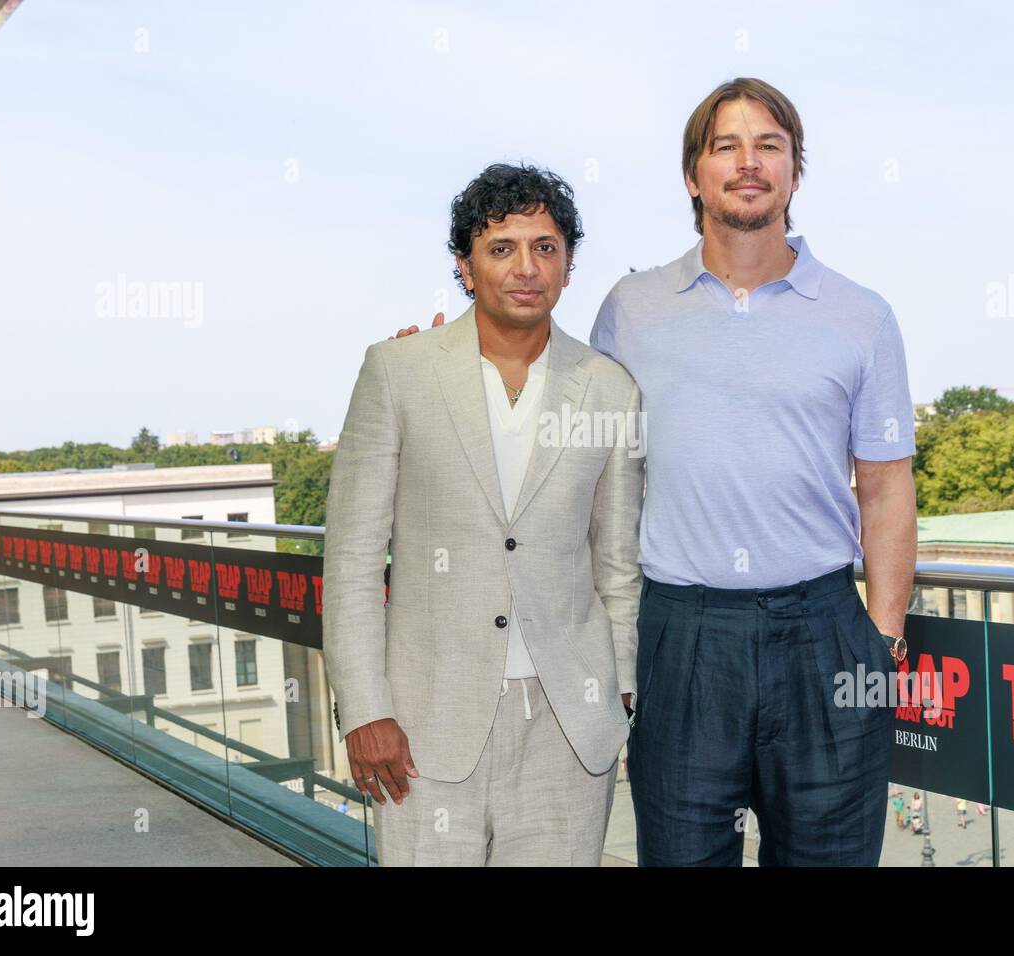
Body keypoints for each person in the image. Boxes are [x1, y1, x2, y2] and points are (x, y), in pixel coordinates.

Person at [393, 77, 917, 867]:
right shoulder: (631, 309)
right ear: (692, 174)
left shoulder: (862, 314)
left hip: (825, 635)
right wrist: (452, 374)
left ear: (795, 173)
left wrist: (881, 639)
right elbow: (559, 454)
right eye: (726, 146)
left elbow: (885, 487)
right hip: (680, 635)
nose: (749, 163)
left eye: (769, 146)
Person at [323, 163, 645, 866]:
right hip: (424, 723)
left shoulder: (611, 390)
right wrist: (365, 708)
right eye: (501, 248)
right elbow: (350, 558)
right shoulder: (397, 371)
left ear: (567, 266)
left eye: (546, 247)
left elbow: (617, 560)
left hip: (568, 724)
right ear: (465, 268)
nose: (525, 267)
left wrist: (619, 687)